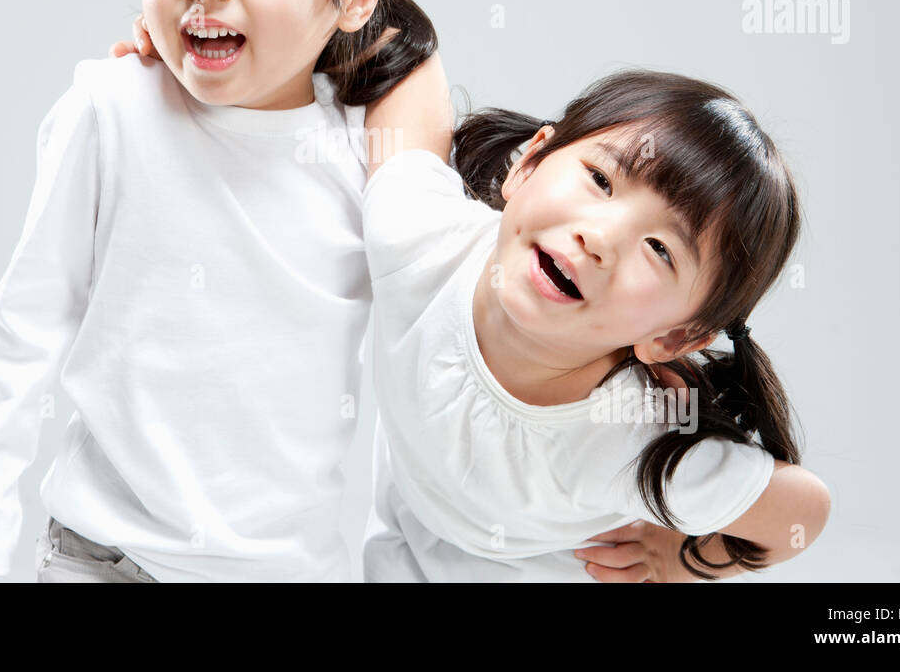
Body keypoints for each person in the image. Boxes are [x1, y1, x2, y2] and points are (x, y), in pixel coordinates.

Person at [0, 0, 448, 582]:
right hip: (102, 559)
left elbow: (424, 372)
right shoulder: (112, 108)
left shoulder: (369, 156)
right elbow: (19, 330)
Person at [356, 67, 831, 581]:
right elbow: (403, 58)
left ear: (673, 337)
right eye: (601, 180)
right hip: (404, 541)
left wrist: (675, 560)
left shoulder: (630, 440)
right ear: (531, 162)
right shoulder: (422, 240)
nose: (598, 238)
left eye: (660, 249)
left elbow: (805, 512)